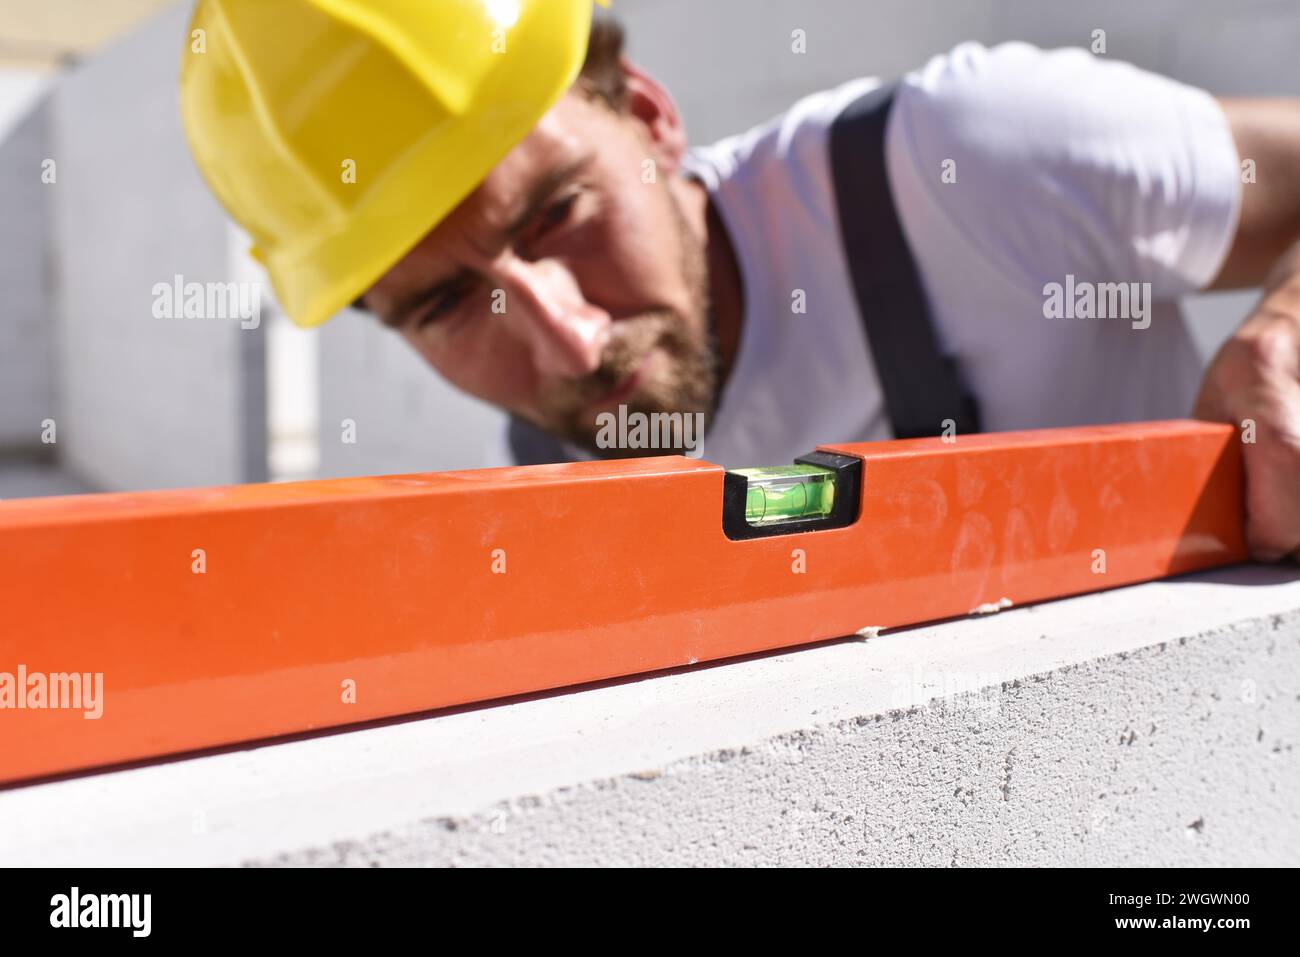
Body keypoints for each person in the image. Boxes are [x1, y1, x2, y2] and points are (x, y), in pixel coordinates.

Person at [181, 0, 1300, 560]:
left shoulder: (971, 159)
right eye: (443, 305)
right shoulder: (551, 496)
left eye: (558, 216)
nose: (571, 346)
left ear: (653, 120)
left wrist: (1280, 337)